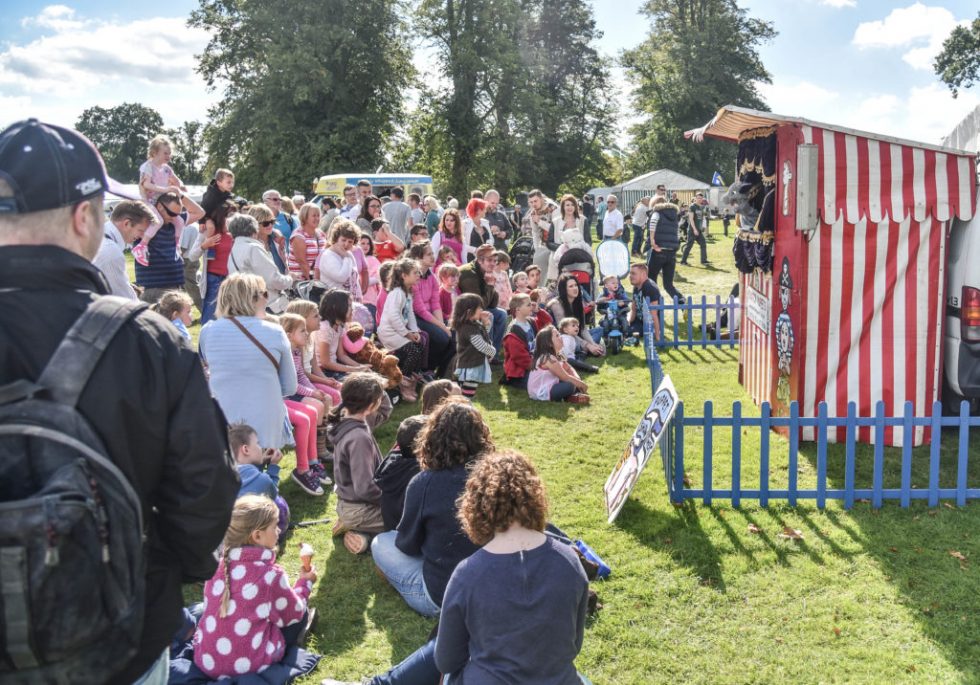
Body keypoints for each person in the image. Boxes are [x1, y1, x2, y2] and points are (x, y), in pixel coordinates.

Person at [0, 118, 238, 683]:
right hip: (119, 633)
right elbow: (206, 484)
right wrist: (163, 574)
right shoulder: (146, 340)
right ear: (84, 217)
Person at [435, 451, 590, 682]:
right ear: (536, 498)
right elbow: (574, 645)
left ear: (477, 507)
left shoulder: (467, 574)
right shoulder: (570, 560)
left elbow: (446, 660)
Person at [372, 399, 490, 617]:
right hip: (494, 586)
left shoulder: (424, 483)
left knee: (381, 542)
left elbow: (407, 545)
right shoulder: (497, 477)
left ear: (432, 436)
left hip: (443, 597)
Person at [192, 495, 317, 679]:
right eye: (274, 526)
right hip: (250, 665)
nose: (279, 530)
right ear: (257, 535)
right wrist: (305, 582)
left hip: (206, 662)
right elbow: (294, 613)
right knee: (301, 613)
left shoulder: (216, 567)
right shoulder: (270, 575)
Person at [329, 372, 394, 555]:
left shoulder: (348, 419)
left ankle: (353, 523)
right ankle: (361, 535)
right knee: (407, 521)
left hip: (351, 504)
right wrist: (390, 502)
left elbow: (385, 410)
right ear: (371, 405)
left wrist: (377, 384)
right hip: (360, 509)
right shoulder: (359, 438)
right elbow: (364, 488)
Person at [135, 189, 205, 304]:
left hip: (173, 286)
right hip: (154, 288)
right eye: (171, 213)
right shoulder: (146, 223)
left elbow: (200, 212)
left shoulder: (175, 222)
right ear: (159, 206)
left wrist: (179, 194)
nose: (174, 217)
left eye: (176, 215)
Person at [229, 422, 290, 539]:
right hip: (253, 536)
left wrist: (261, 464)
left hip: (229, 535)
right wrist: (273, 466)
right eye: (257, 443)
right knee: (279, 503)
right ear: (246, 449)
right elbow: (272, 493)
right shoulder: (260, 479)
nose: (260, 448)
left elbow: (249, 475)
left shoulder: (222, 474)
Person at [378, 258, 426, 401]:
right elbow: (393, 316)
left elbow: (410, 315)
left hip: (398, 331)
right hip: (389, 332)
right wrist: (406, 334)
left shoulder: (408, 293)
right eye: (415, 273)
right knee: (412, 351)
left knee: (418, 346)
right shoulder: (397, 293)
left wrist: (415, 331)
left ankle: (409, 379)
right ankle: (402, 383)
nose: (418, 275)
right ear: (404, 275)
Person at [227, 214, 294, 314]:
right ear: (254, 229)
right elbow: (273, 280)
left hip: (245, 304)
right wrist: (290, 278)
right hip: (266, 305)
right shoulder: (253, 248)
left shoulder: (234, 249)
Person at [132, 134, 183, 266]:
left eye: (169, 153)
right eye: (165, 153)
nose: (168, 156)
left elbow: (176, 180)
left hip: (160, 201)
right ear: (154, 153)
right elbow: (146, 184)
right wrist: (166, 189)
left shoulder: (166, 169)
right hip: (148, 201)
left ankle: (176, 244)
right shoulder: (148, 166)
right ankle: (142, 246)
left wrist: (180, 187)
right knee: (158, 221)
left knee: (179, 221)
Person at [94, 199, 158, 299]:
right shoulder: (111, 251)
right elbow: (125, 298)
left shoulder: (97, 236)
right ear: (127, 223)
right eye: (140, 230)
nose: (142, 236)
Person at [284, 299, 343, 407]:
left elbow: (315, 367)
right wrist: (322, 383)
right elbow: (302, 373)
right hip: (302, 383)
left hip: (307, 381)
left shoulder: (311, 337)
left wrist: (326, 380)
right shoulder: (298, 345)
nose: (320, 318)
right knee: (331, 396)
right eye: (316, 316)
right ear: (303, 319)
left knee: (338, 389)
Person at [410, 241, 454, 378]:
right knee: (441, 338)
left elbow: (435, 304)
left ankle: (440, 373)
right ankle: (426, 369)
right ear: (418, 258)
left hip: (430, 316)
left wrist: (442, 324)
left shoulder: (431, 277)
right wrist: (441, 327)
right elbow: (419, 309)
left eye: (432, 253)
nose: (433, 257)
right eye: (429, 254)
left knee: (454, 336)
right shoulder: (414, 278)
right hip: (415, 317)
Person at [458, 243, 507, 355]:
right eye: (490, 260)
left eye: (495, 261)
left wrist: (492, 285)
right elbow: (479, 306)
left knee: (502, 314)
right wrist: (490, 286)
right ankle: (486, 353)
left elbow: (493, 304)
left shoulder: (486, 271)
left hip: (478, 307)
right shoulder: (469, 273)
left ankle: (493, 352)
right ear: (480, 260)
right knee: (489, 316)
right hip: (465, 311)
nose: (493, 264)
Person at [317, 288, 370, 379]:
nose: (352, 309)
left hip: (333, 368)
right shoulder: (325, 328)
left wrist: (360, 367)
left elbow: (341, 355)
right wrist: (355, 370)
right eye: (349, 305)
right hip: (322, 371)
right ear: (336, 307)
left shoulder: (340, 326)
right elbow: (325, 363)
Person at [528, 325, 590, 403]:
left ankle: (572, 397)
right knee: (570, 385)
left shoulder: (559, 354)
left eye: (559, 334)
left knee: (574, 382)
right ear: (549, 343)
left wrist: (578, 379)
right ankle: (570, 397)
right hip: (541, 391)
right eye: (557, 336)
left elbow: (568, 368)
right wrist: (582, 384)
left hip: (551, 384)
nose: (561, 337)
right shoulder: (548, 358)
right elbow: (565, 377)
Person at [548, 273, 604, 357]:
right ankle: (585, 350)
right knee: (570, 340)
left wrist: (593, 344)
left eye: (576, 285)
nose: (575, 288)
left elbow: (583, 329)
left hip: (575, 335)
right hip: (561, 338)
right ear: (564, 289)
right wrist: (588, 345)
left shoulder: (578, 302)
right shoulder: (556, 304)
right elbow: (565, 332)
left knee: (599, 330)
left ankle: (589, 349)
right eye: (571, 286)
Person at [452, 293, 496, 398]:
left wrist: (485, 324)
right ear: (469, 312)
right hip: (470, 365)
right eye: (479, 308)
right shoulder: (468, 328)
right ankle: (464, 404)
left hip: (470, 363)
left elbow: (483, 335)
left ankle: (460, 403)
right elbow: (481, 345)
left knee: (462, 390)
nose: (481, 310)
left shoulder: (472, 324)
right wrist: (492, 352)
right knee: (467, 392)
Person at [646, 191, 685, 303]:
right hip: (671, 252)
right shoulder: (674, 215)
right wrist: (675, 246)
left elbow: (652, 225)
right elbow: (677, 232)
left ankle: (655, 305)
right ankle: (682, 302)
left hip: (659, 250)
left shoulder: (657, 213)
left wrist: (652, 241)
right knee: (668, 284)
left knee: (651, 280)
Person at [317, 219, 363, 298]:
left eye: (350, 242)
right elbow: (341, 277)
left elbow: (355, 279)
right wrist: (346, 257)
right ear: (336, 239)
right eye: (343, 240)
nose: (346, 244)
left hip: (350, 300)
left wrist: (359, 297)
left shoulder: (349, 254)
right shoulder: (328, 255)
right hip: (334, 300)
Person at [522, 189, 561, 277]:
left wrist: (539, 221)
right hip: (543, 245)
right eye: (531, 202)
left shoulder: (554, 208)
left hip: (556, 245)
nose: (533, 204)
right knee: (538, 274)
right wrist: (537, 249)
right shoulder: (533, 212)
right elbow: (535, 232)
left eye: (535, 201)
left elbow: (556, 229)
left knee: (554, 275)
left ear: (541, 199)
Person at [501, 293, 536, 388]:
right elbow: (519, 357)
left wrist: (539, 310)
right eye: (528, 305)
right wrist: (537, 367)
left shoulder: (530, 322)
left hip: (532, 364)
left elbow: (547, 322)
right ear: (518, 309)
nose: (532, 306)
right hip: (519, 374)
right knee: (544, 379)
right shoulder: (514, 330)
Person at [287, 203, 325, 280]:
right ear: (305, 217)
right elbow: (303, 263)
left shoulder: (320, 233)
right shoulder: (298, 236)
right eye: (314, 216)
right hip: (303, 282)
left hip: (319, 279)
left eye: (318, 215)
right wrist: (314, 282)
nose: (317, 218)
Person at [627, 262, 662, 340]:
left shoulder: (650, 287)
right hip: (638, 320)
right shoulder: (636, 286)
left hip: (647, 324)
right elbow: (633, 309)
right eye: (630, 273)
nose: (630, 276)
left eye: (633, 273)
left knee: (626, 332)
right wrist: (628, 322)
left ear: (643, 274)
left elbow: (654, 315)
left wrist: (657, 336)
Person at [680, 191, 709, 266]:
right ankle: (683, 261)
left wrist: (702, 227)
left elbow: (701, 218)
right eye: (698, 198)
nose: (699, 199)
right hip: (692, 230)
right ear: (695, 198)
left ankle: (704, 261)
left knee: (703, 244)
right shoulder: (692, 206)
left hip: (699, 230)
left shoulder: (701, 207)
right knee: (689, 246)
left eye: (701, 198)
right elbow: (691, 219)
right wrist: (695, 229)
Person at [359, 233, 382, 315]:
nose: (366, 246)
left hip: (369, 300)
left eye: (368, 244)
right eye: (363, 243)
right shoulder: (351, 258)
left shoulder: (373, 259)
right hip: (355, 300)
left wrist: (363, 282)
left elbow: (378, 277)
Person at [463, 197, 491, 263]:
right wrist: (476, 250)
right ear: (478, 210)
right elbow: (462, 244)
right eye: (484, 209)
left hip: (486, 259)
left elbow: (491, 238)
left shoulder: (486, 222)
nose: (486, 211)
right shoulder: (465, 224)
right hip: (470, 259)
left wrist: (487, 246)